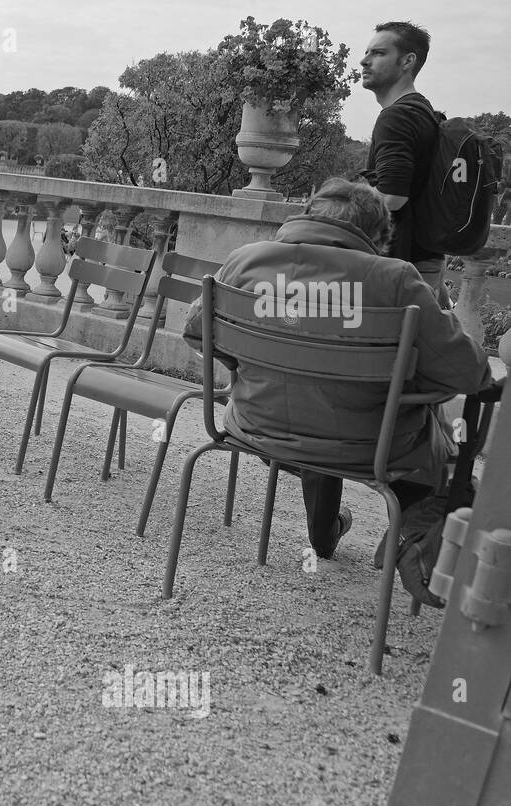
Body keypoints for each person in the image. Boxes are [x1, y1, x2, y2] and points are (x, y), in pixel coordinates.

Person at [181, 178, 492, 568]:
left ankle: (337, 533)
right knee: (430, 433)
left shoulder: (245, 260)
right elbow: (470, 374)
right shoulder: (395, 279)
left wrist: (249, 365)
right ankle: (413, 531)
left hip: (255, 426)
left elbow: (196, 331)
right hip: (366, 447)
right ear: (379, 237)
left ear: (307, 214)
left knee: (321, 399)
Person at [359, 21, 448, 304]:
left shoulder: (396, 117)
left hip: (398, 268)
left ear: (408, 61)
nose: (364, 60)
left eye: (379, 53)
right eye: (367, 52)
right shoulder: (424, 111)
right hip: (422, 260)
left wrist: (338, 211)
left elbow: (393, 197)